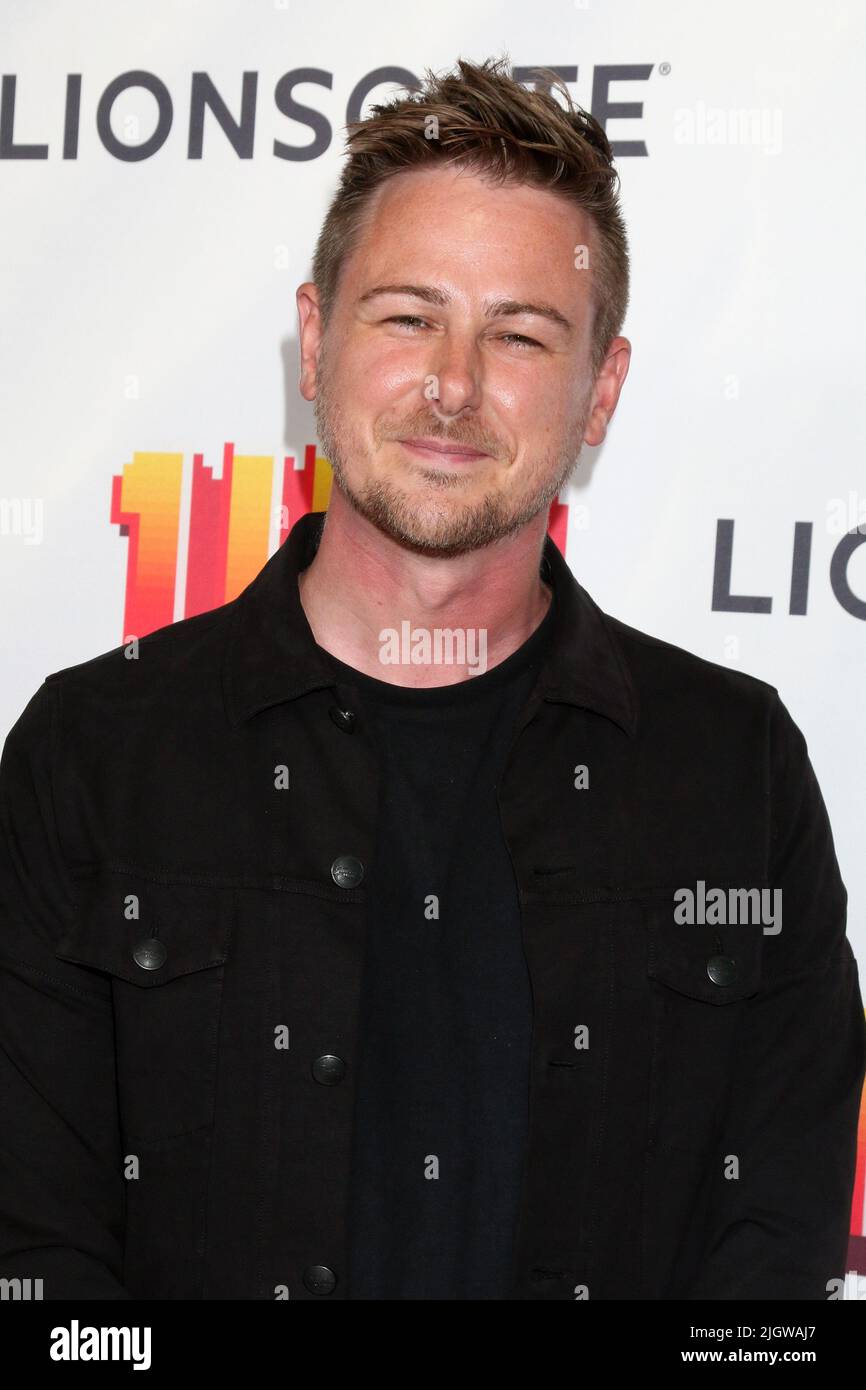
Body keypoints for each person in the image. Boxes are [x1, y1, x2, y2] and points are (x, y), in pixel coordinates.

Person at [0, 55, 863, 1301]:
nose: (451, 385)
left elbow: (768, 1275)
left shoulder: (733, 769)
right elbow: (38, 1260)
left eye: (518, 333)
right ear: (314, 340)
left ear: (600, 391)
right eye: (407, 316)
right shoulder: (95, 750)